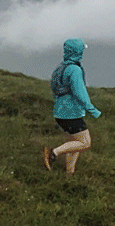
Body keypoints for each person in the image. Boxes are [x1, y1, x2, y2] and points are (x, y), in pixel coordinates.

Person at [43, 38, 101, 174]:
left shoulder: (61, 67)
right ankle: (53, 153)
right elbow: (80, 92)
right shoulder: (75, 70)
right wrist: (92, 109)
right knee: (85, 142)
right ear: (78, 52)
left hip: (60, 112)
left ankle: (70, 173)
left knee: (75, 143)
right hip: (71, 113)